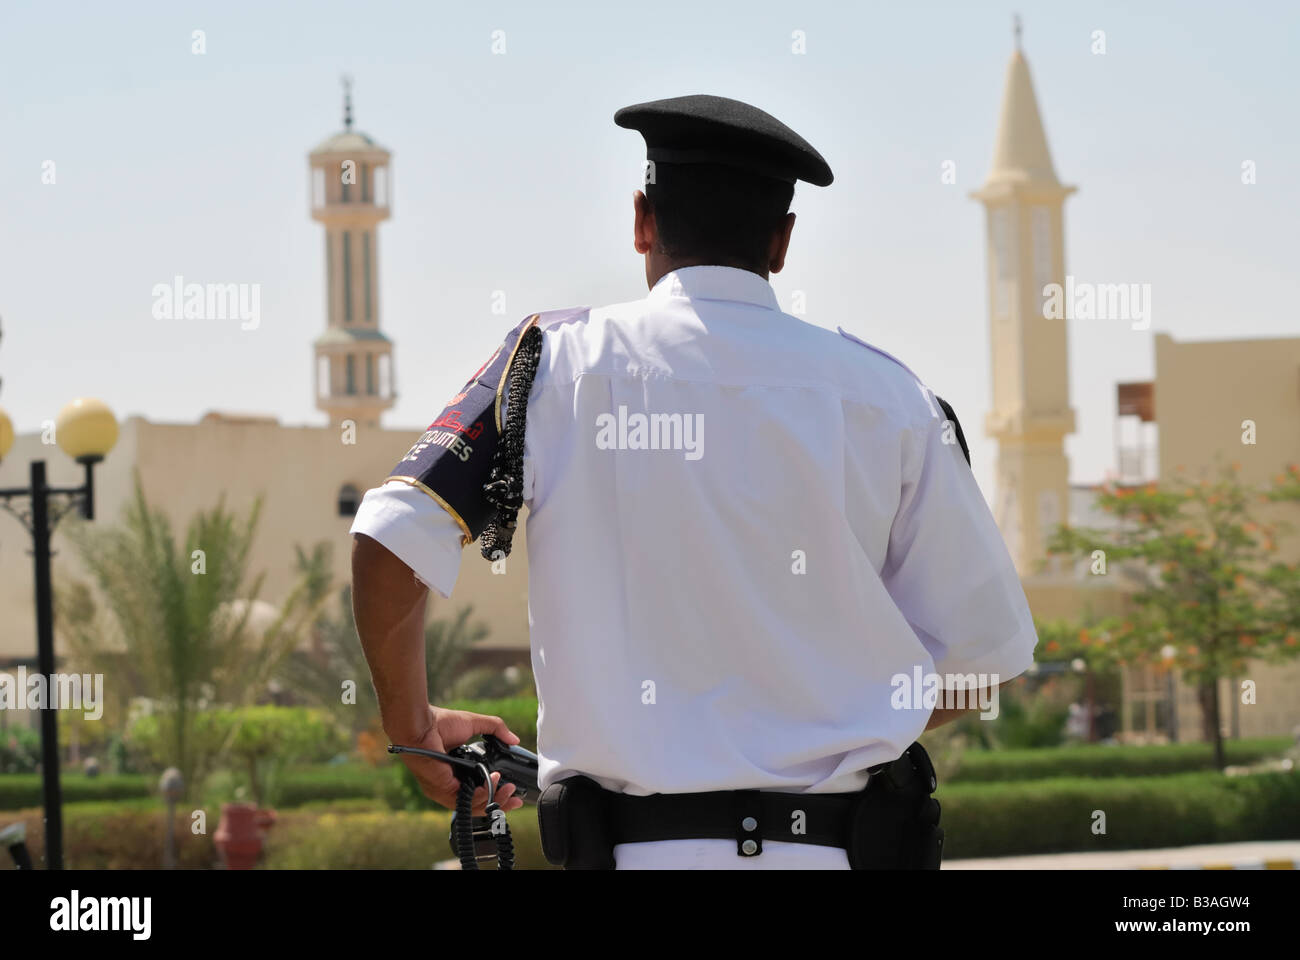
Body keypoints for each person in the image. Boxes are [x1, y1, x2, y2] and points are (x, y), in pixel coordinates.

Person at [350, 94, 1037, 869]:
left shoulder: (552, 365)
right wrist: (859, 712)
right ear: (781, 242)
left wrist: (411, 726)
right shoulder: (891, 398)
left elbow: (391, 533)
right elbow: (990, 656)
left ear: (642, 219)